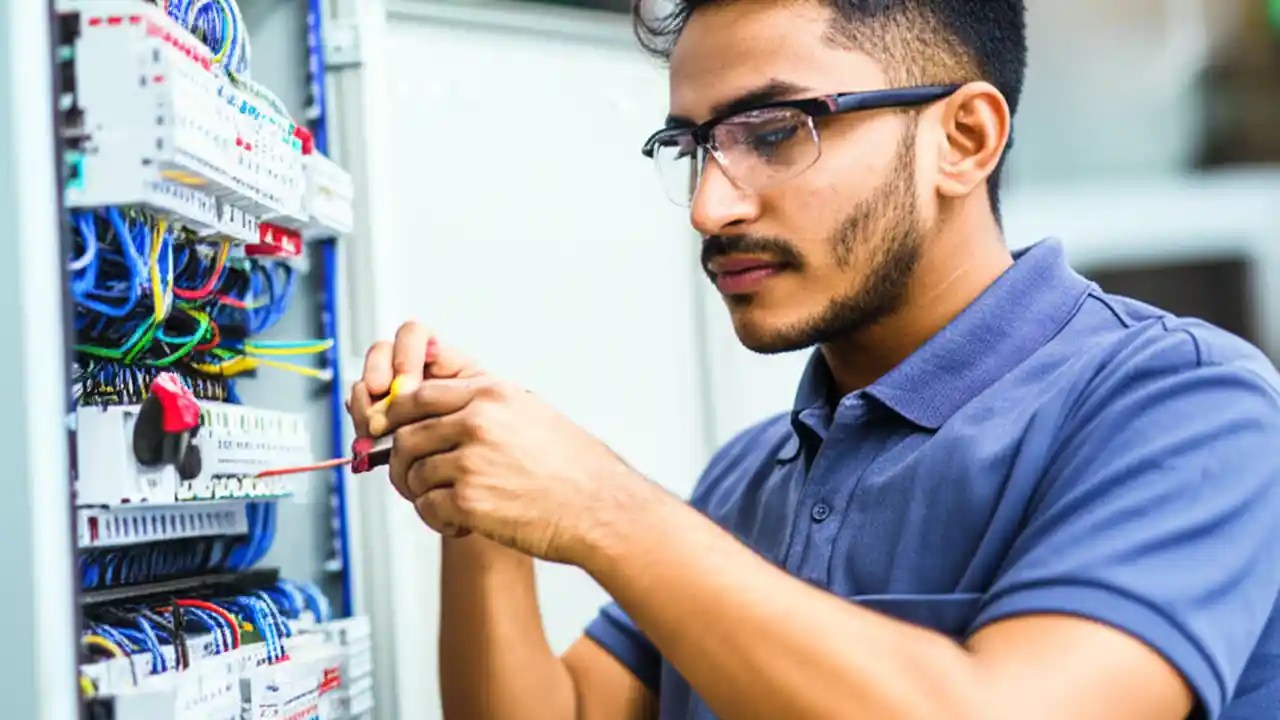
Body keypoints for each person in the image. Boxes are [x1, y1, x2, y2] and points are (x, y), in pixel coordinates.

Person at [347, 1, 1280, 718]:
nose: (711, 206)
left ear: (966, 139)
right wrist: (481, 509)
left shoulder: (1187, 408)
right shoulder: (751, 475)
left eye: (775, 131)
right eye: (693, 145)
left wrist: (602, 506)